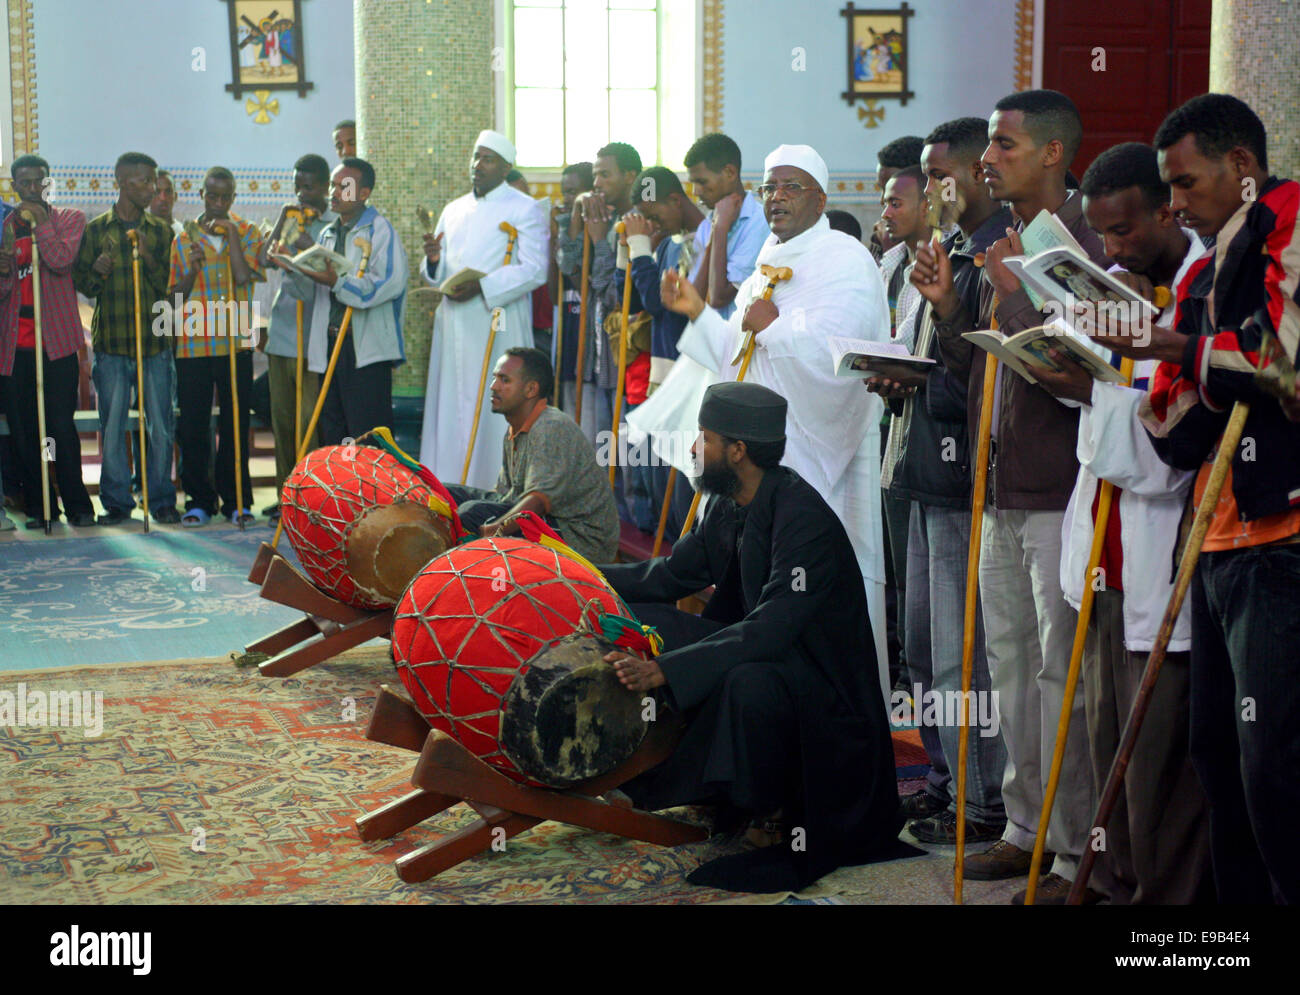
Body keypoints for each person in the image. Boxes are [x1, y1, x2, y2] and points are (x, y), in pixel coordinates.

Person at [913, 89, 1109, 901]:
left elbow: (1082, 371)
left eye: (1004, 145)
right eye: (988, 145)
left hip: (1058, 492)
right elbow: (984, 372)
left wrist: (1015, 291)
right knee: (1010, 667)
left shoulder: (1083, 244)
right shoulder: (1005, 242)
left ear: (1053, 153)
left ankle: (1072, 851)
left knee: (1063, 675)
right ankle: (1024, 827)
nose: (988, 160)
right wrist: (950, 309)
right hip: (994, 489)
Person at [600, 381, 905, 893]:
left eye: (705, 437)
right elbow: (673, 575)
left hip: (824, 695)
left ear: (737, 451)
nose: (694, 448)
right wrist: (581, 573)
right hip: (770, 655)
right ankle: (649, 770)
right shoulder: (730, 503)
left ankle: (768, 808)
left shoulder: (803, 519)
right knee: (653, 623)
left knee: (747, 682)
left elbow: (771, 629)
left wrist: (664, 670)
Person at [1119, 94, 1300, 904]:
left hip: (1280, 536)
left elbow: (1283, 358)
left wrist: (1183, 349)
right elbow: (1171, 421)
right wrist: (1178, 361)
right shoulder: (1203, 269)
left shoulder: (1287, 219)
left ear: (1243, 166)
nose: (1176, 203)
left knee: (1277, 765)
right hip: (1218, 539)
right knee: (1221, 761)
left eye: (1187, 183)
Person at [1028, 141, 1211, 904]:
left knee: (1157, 762)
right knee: (1105, 741)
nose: (1110, 248)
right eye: (1100, 234)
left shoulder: (1196, 297)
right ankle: (1109, 880)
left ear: (1168, 212)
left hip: (1159, 557)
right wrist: (1075, 373)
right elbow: (1109, 407)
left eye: (1123, 230)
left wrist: (1093, 392)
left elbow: (1166, 454)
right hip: (1103, 556)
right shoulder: (1123, 288)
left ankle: (1162, 910)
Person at [660, 143, 893, 701]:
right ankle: (764, 694)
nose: (776, 198)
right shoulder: (768, 258)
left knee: (811, 592)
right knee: (760, 588)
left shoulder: (844, 260)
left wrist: (776, 329)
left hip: (816, 454)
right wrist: (698, 312)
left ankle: (827, 701)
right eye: (769, 188)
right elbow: (737, 354)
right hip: (757, 460)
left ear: (820, 197)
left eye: (790, 187)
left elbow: (847, 358)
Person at [872, 117, 1013, 844]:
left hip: (961, 477)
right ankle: (942, 778)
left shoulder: (993, 257)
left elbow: (978, 384)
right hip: (920, 466)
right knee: (923, 650)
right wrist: (897, 374)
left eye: (936, 176)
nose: (928, 190)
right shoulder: (946, 252)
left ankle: (981, 802)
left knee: (963, 658)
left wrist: (917, 379)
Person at [419, 131, 548, 489]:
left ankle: (494, 486)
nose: (478, 164)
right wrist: (433, 261)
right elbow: (436, 272)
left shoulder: (525, 208)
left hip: (496, 320)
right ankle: (447, 486)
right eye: (476, 156)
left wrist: (483, 286)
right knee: (451, 406)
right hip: (454, 323)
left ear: (506, 167)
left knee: (494, 405)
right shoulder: (453, 209)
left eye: (488, 159)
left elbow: (536, 268)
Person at [73, 151, 179, 525]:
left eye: (154, 182)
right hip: (113, 345)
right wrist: (97, 271)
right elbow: (83, 285)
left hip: (154, 345)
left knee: (160, 426)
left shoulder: (162, 232)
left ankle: (160, 499)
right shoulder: (96, 230)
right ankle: (117, 502)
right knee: (113, 428)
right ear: (121, 182)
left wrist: (148, 257)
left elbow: (169, 287)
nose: (153, 189)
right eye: (144, 182)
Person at [446, 347, 618, 563]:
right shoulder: (515, 428)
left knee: (472, 514)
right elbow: (505, 495)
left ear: (531, 389)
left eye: (504, 380)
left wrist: (495, 529)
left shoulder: (551, 428)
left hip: (579, 538)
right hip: (541, 516)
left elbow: (537, 502)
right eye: (495, 378)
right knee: (448, 494)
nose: (493, 386)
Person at [0, 154, 96, 529]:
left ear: (47, 183)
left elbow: (60, 260)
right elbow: (4, 291)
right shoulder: (6, 226)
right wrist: (4, 272)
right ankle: (42, 505)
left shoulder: (69, 219)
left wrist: (40, 223)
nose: (31, 189)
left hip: (55, 344)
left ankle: (77, 504)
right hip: (16, 346)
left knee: (58, 426)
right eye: (24, 183)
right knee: (27, 431)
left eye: (38, 182)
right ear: (14, 186)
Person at [167, 165, 264, 526]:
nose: (219, 203)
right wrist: (191, 271)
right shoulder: (183, 240)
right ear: (202, 195)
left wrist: (232, 234)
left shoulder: (248, 233)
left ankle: (237, 501)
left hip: (236, 344)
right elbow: (173, 300)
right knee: (193, 426)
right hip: (194, 345)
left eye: (226, 197)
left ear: (234, 197)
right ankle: (198, 501)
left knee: (235, 424)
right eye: (213, 196)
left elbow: (242, 275)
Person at [292, 157, 406, 447]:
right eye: (333, 185)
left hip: (363, 350)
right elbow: (319, 291)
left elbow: (387, 284)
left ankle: (370, 481)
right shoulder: (328, 234)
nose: (334, 192)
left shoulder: (380, 231)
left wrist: (338, 283)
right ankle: (340, 480)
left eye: (344, 186)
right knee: (334, 431)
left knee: (367, 436)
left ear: (364, 193)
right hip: (331, 344)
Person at [621, 165, 705, 535]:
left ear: (675, 199)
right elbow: (636, 299)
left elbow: (660, 304)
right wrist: (632, 252)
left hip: (688, 372)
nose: (652, 225)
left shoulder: (700, 242)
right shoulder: (670, 244)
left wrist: (641, 248)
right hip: (662, 373)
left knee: (682, 481)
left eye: (654, 216)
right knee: (658, 480)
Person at [257, 153, 335, 519]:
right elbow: (263, 259)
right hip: (283, 332)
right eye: (298, 187)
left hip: (312, 336)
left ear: (325, 187)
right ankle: (285, 495)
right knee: (284, 421)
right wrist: (281, 221)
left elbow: (332, 273)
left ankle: (309, 500)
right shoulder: (291, 219)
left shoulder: (333, 225)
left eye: (309, 187)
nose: (303, 194)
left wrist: (304, 242)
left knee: (307, 425)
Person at [557, 142, 644, 449]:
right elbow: (571, 270)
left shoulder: (638, 222)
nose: (596, 184)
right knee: (604, 450)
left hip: (626, 358)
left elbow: (614, 295)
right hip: (600, 354)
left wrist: (598, 241)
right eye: (595, 175)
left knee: (627, 453)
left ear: (630, 176)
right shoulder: (605, 220)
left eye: (605, 175)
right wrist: (576, 222)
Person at [685, 133, 769, 317]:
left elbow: (719, 297)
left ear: (730, 173)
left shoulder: (760, 222)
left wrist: (721, 229)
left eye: (702, 182)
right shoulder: (706, 226)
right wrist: (716, 229)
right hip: (709, 334)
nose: (696, 191)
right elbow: (693, 300)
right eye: (693, 183)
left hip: (740, 334)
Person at [551, 161, 593, 411]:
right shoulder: (563, 230)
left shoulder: (596, 231)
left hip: (588, 338)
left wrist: (569, 237)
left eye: (572, 192)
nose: (566, 199)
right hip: (567, 328)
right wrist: (554, 237)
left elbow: (582, 285)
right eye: (563, 192)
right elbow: (553, 295)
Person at [871, 135, 924, 260]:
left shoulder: (949, 246)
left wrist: (890, 247)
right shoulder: (881, 237)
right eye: (882, 189)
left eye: (894, 196)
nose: (882, 201)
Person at [149, 170, 183, 237]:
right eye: (157, 192)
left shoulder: (184, 234)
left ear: (175, 196)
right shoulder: (137, 233)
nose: (163, 198)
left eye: (168, 192)